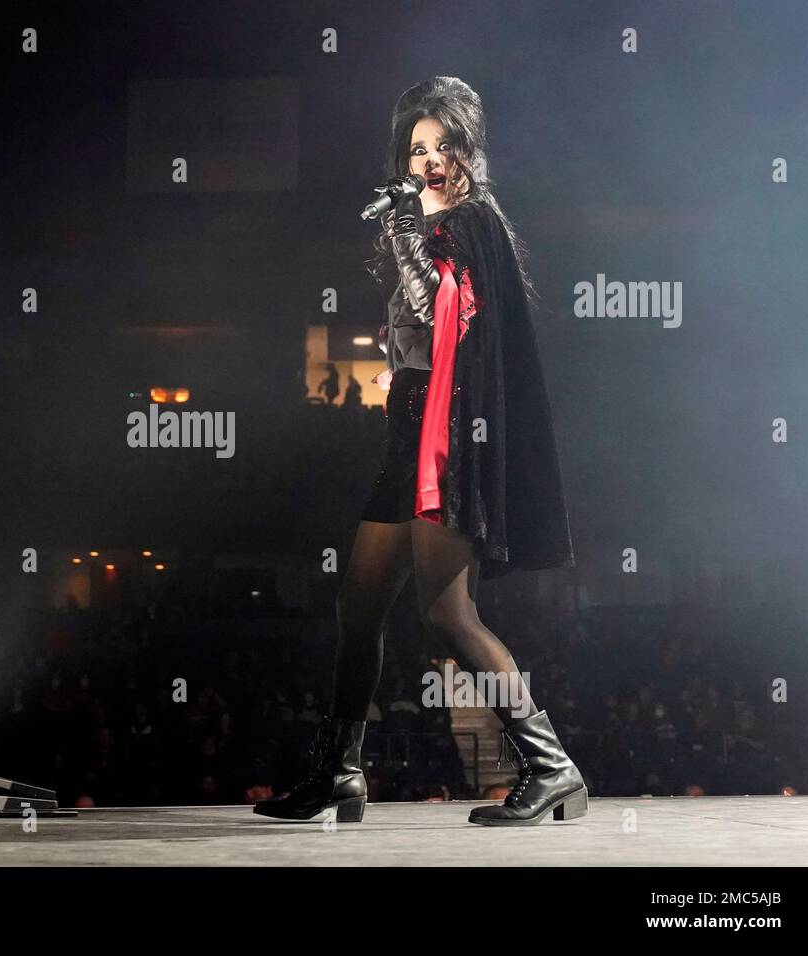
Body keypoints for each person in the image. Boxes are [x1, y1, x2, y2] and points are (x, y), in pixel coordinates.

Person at [255, 76, 583, 826]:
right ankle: (339, 773)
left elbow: (441, 308)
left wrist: (409, 229)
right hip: (408, 429)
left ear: (466, 150)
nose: (429, 160)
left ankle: (552, 766)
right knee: (358, 604)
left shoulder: (471, 221)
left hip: (449, 440)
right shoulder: (427, 222)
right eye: (416, 148)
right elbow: (422, 335)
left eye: (442, 146)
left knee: (446, 615)